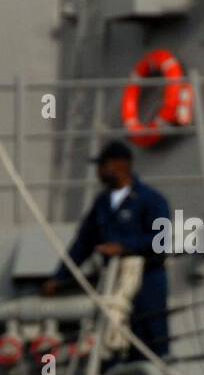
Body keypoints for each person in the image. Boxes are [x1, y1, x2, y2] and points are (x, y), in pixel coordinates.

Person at [41, 139, 172, 358]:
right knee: (115, 344)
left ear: (120, 165)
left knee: (151, 342)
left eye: (103, 165)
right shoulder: (101, 204)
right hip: (112, 283)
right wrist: (59, 278)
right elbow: (82, 244)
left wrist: (124, 248)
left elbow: (161, 241)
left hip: (147, 281)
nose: (99, 172)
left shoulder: (151, 200)